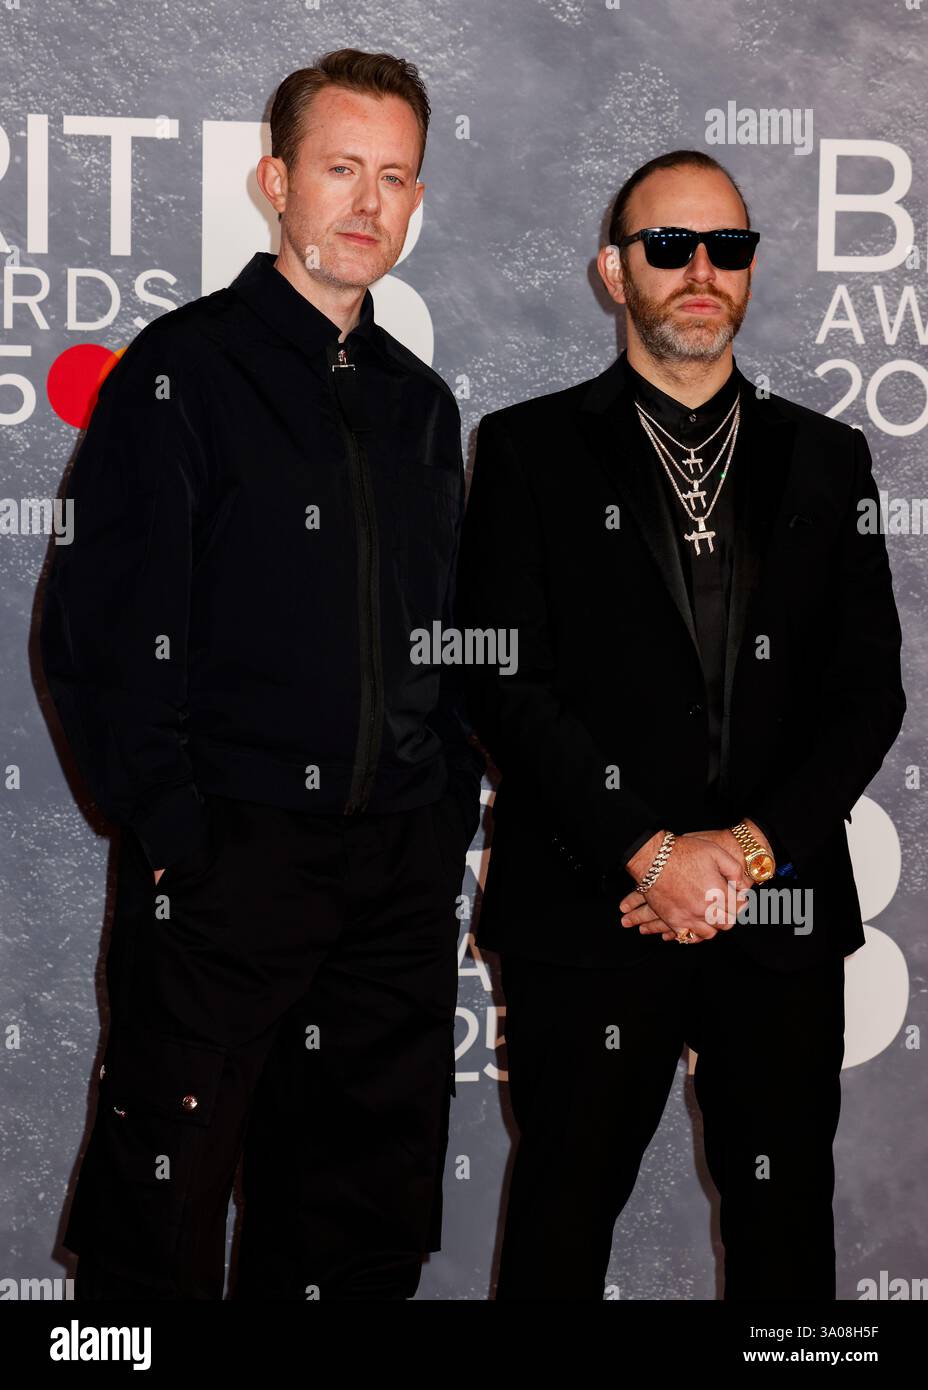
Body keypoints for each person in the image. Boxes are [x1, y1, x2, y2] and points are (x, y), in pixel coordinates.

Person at [41, 49, 482, 1301]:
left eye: (395, 176)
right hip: (227, 869)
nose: (368, 202)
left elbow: (442, 639)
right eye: (341, 168)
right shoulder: (183, 371)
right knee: (155, 1222)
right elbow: (96, 632)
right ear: (273, 181)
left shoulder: (420, 408)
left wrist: (436, 812)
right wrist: (184, 833)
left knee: (355, 1224)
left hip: (390, 884)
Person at [457, 150, 905, 1300]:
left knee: (786, 1236)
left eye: (728, 248)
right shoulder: (527, 450)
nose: (700, 271)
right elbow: (502, 680)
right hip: (589, 908)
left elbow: (868, 692)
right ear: (615, 272)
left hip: (777, 910)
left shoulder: (827, 454)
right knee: (559, 1224)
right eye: (669, 247)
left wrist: (746, 855)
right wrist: (651, 854)